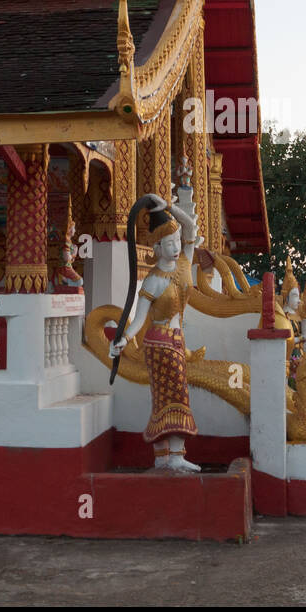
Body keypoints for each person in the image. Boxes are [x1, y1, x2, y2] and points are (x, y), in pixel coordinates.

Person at [107, 193, 201, 473]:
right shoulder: (153, 281)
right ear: (157, 248)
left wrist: (169, 206)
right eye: (168, 244)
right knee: (172, 398)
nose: (175, 247)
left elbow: (192, 229)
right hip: (159, 345)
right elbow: (139, 318)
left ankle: (166, 456)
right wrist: (124, 338)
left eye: (176, 242)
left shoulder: (184, 263)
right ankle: (172, 456)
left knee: (170, 397)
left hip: (176, 341)